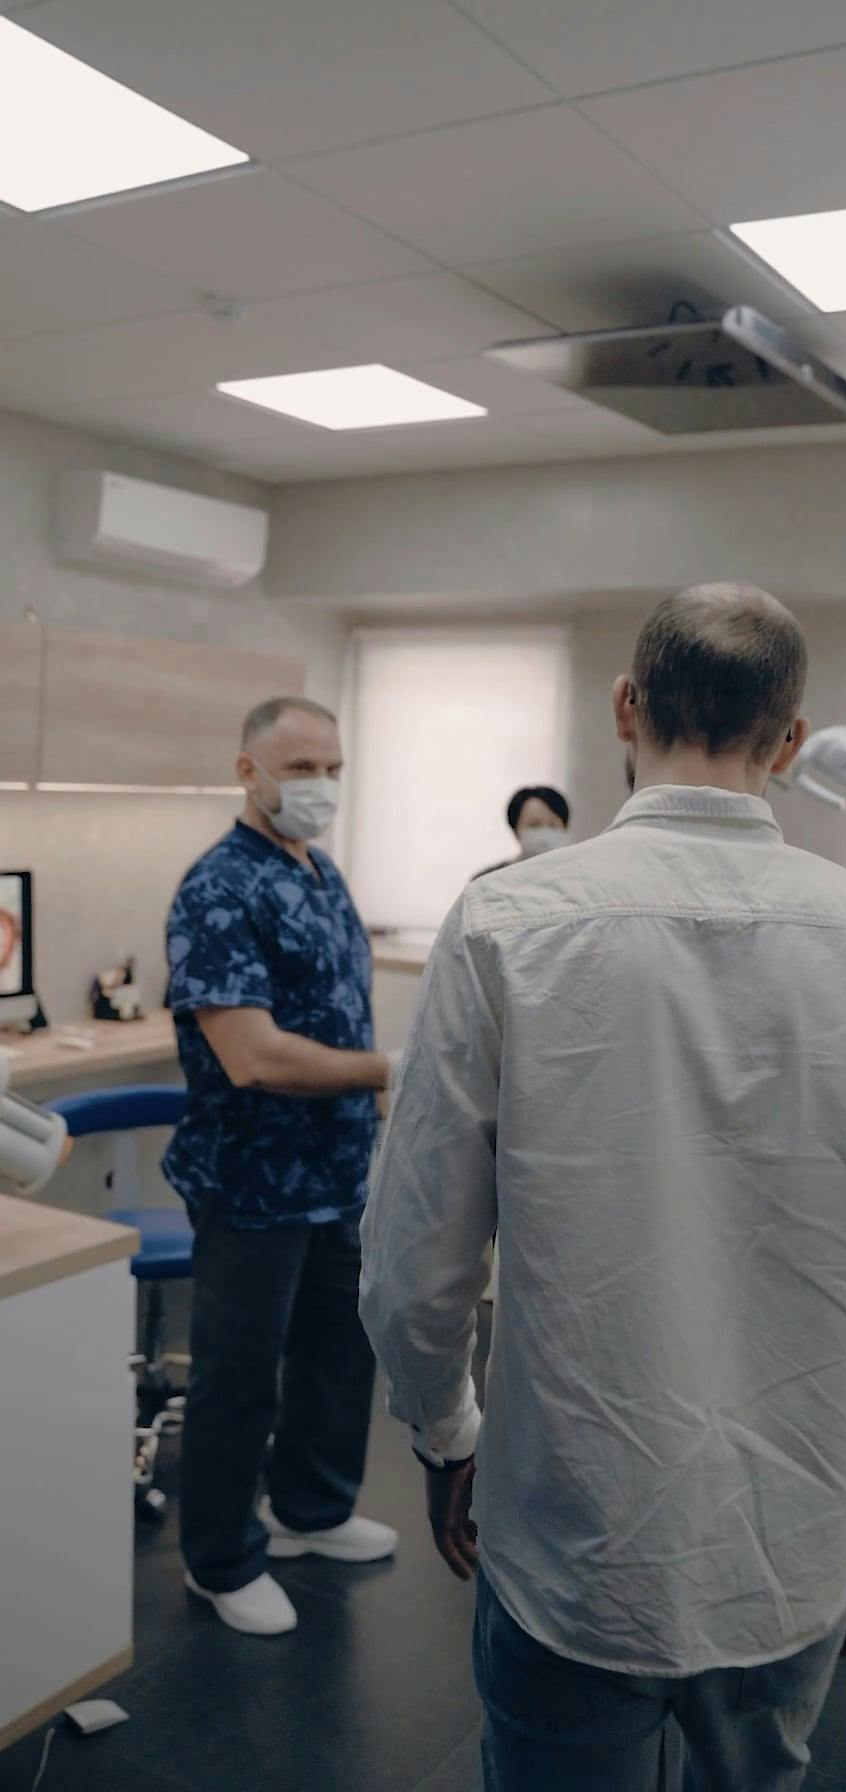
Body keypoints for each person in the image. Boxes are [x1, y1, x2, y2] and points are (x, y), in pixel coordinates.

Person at [359, 585, 846, 1791]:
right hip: (796, 1535)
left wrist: (444, 1433)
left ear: (625, 708)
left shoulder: (508, 923)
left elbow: (415, 1258)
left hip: (573, 1538)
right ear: (793, 739)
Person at [164, 695, 398, 1639]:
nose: (321, 786)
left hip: (337, 1171)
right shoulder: (219, 888)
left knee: (339, 1359)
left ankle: (313, 1511)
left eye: (333, 768)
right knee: (240, 1375)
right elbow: (251, 1054)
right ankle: (219, 1560)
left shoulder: (321, 871)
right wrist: (393, 1071)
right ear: (248, 772)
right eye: (301, 769)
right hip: (252, 1184)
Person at [473, 785, 571, 879]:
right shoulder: (487, 880)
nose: (544, 832)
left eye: (552, 825)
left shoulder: (576, 877)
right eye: (534, 825)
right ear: (516, 831)